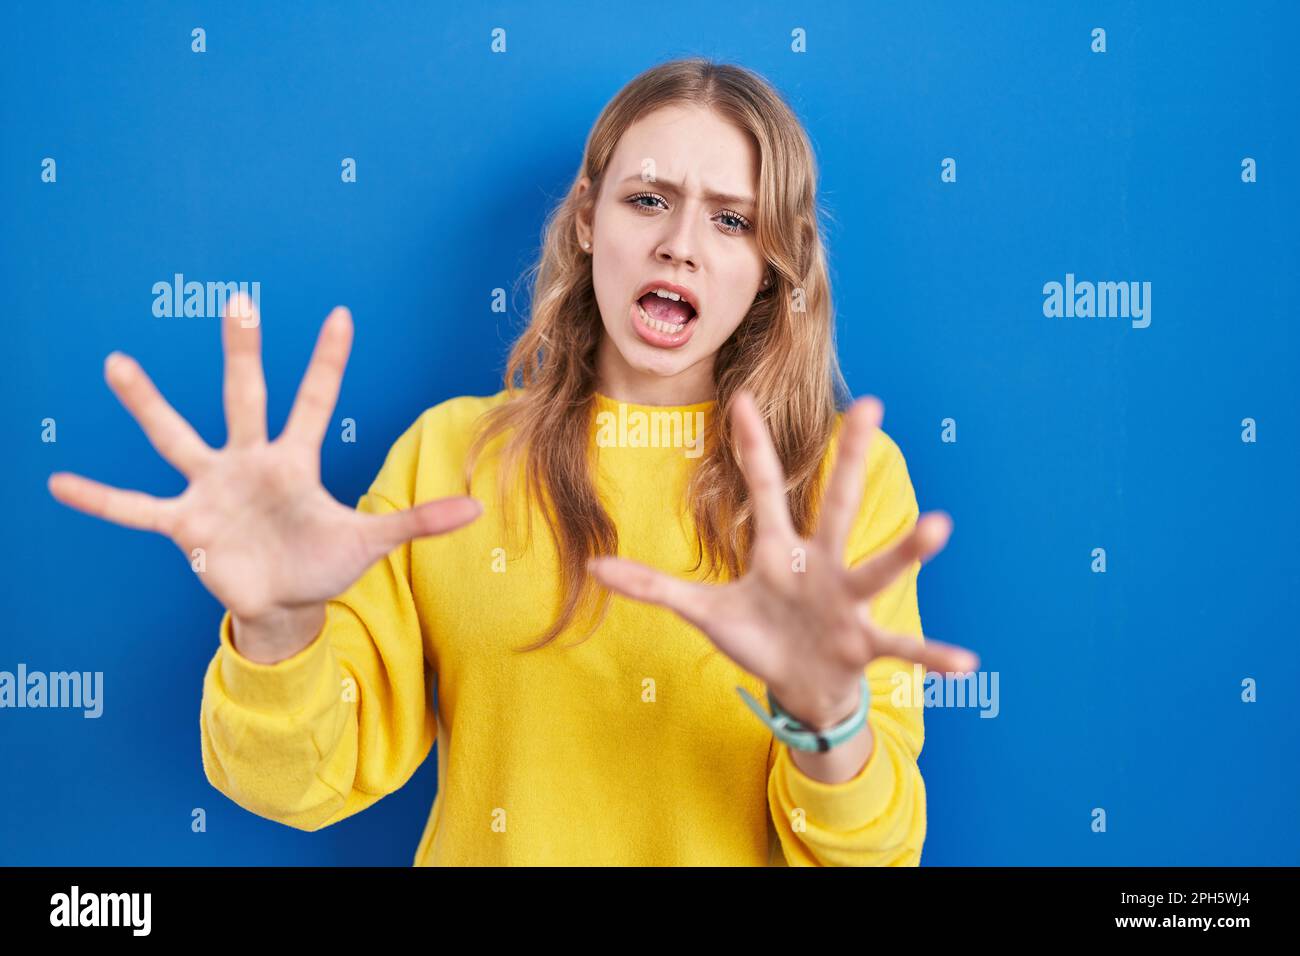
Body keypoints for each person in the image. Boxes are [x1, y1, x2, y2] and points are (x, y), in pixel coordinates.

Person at [48, 57, 978, 866]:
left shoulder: (839, 480)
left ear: (776, 263)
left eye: (732, 222)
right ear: (586, 220)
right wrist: (280, 627)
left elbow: (876, 855)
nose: (680, 245)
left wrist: (827, 720)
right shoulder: (450, 455)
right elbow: (294, 785)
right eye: (648, 199)